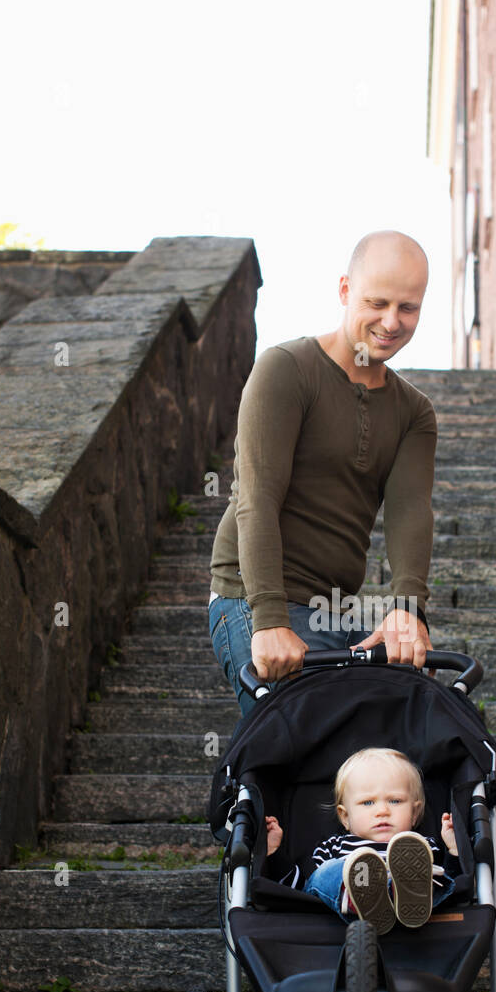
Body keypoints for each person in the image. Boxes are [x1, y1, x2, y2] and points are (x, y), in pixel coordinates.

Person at [208, 230, 439, 719]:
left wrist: (407, 609)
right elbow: (256, 500)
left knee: (410, 716)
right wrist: (268, 619)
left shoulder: (414, 413)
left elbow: (410, 513)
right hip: (254, 594)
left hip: (339, 607)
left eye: (408, 308)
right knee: (307, 733)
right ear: (344, 291)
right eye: (377, 303)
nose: (391, 322)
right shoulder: (286, 369)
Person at [263, 748, 461, 935]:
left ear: (415, 813)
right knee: (327, 872)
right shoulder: (335, 846)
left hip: (407, 904)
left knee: (435, 876)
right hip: (345, 900)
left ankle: (398, 892)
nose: (382, 811)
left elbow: (455, 888)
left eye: (395, 801)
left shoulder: (420, 845)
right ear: (345, 817)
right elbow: (300, 891)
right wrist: (274, 853)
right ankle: (362, 896)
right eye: (368, 803)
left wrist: (453, 849)